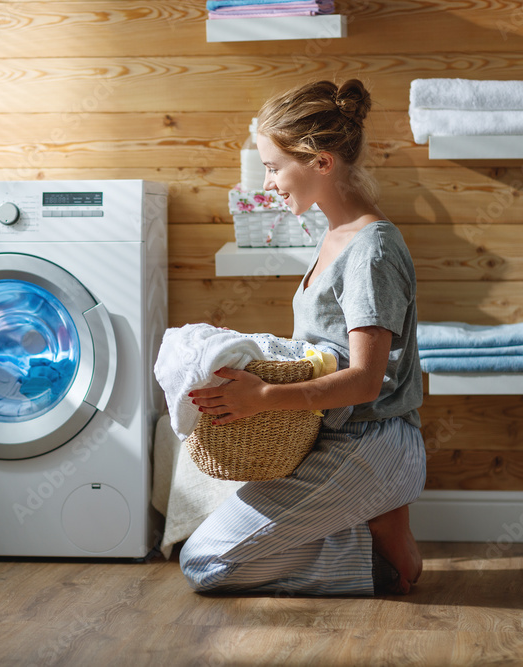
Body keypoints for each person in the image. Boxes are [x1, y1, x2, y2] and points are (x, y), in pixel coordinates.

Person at [181, 79, 426, 596]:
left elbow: (363, 381)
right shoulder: (334, 236)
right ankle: (368, 520)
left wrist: (264, 397)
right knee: (212, 545)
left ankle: (380, 553)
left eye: (273, 167)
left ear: (320, 162)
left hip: (372, 440)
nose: (268, 182)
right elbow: (323, 348)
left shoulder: (371, 251)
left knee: (204, 562)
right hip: (333, 435)